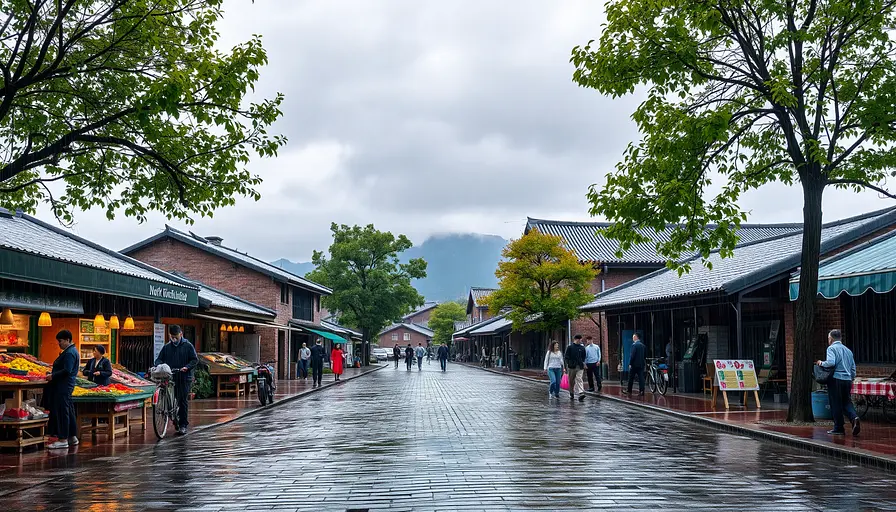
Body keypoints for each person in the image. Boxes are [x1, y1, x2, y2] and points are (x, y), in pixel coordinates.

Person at [153, 325, 198, 435]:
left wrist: (186, 367)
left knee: (182, 400)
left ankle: (183, 425)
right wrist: (158, 365)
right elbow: (159, 359)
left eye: (176, 337)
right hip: (170, 376)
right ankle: (171, 414)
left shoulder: (188, 346)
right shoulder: (167, 347)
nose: (174, 339)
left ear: (181, 334)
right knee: (170, 396)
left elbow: (194, 360)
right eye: (172, 337)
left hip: (184, 377)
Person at [816, 329, 860, 436]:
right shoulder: (848, 351)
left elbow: (831, 363)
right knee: (847, 402)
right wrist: (851, 378)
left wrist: (821, 363)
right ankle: (854, 417)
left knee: (836, 403)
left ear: (831, 338)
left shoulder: (831, 348)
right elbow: (853, 368)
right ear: (840, 338)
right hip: (847, 380)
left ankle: (838, 428)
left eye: (828, 338)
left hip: (836, 379)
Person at [46, 329, 79, 449]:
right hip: (67, 386)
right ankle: (72, 437)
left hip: (63, 386)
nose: (59, 344)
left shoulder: (69, 353)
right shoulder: (72, 351)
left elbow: (67, 370)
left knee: (63, 412)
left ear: (67, 340)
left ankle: (63, 438)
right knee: (69, 411)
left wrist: (53, 376)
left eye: (60, 341)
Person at [564, 335, 587, 401]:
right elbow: (566, 357)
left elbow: (584, 356)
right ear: (576, 339)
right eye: (579, 340)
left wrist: (582, 362)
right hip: (572, 367)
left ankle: (581, 393)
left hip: (580, 366)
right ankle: (571, 393)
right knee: (571, 381)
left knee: (579, 379)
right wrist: (569, 363)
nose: (580, 341)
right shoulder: (570, 347)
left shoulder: (582, 348)